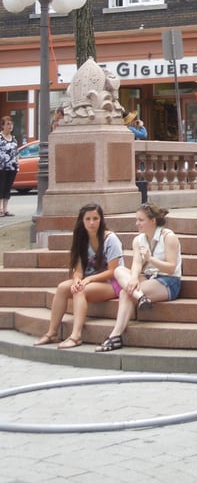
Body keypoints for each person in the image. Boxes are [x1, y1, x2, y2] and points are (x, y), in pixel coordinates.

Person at [33, 203, 124, 349]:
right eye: (88, 219)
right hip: (90, 281)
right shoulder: (81, 239)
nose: (92, 223)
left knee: (79, 290)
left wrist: (87, 280)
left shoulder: (110, 239)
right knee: (63, 287)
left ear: (101, 220)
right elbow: (79, 270)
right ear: (82, 221)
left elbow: (113, 271)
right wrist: (76, 280)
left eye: (95, 218)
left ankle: (76, 336)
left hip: (112, 283)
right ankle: (52, 332)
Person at [96, 201, 182, 352]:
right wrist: (134, 278)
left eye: (141, 220)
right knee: (119, 271)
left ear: (153, 221)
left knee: (125, 292)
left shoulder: (169, 237)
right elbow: (136, 263)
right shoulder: (138, 240)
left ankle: (115, 336)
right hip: (147, 278)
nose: (137, 224)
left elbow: (171, 268)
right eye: (136, 220)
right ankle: (141, 297)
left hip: (168, 281)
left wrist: (150, 259)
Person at [0, 114, 18, 217]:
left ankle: (6, 209)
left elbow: (16, 152)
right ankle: (0, 209)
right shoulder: (0, 138)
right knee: (1, 187)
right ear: (3, 126)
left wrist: (17, 162)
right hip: (1, 167)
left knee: (7, 188)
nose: (10, 126)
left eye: (11, 124)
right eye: (7, 124)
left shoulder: (14, 139)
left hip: (12, 167)